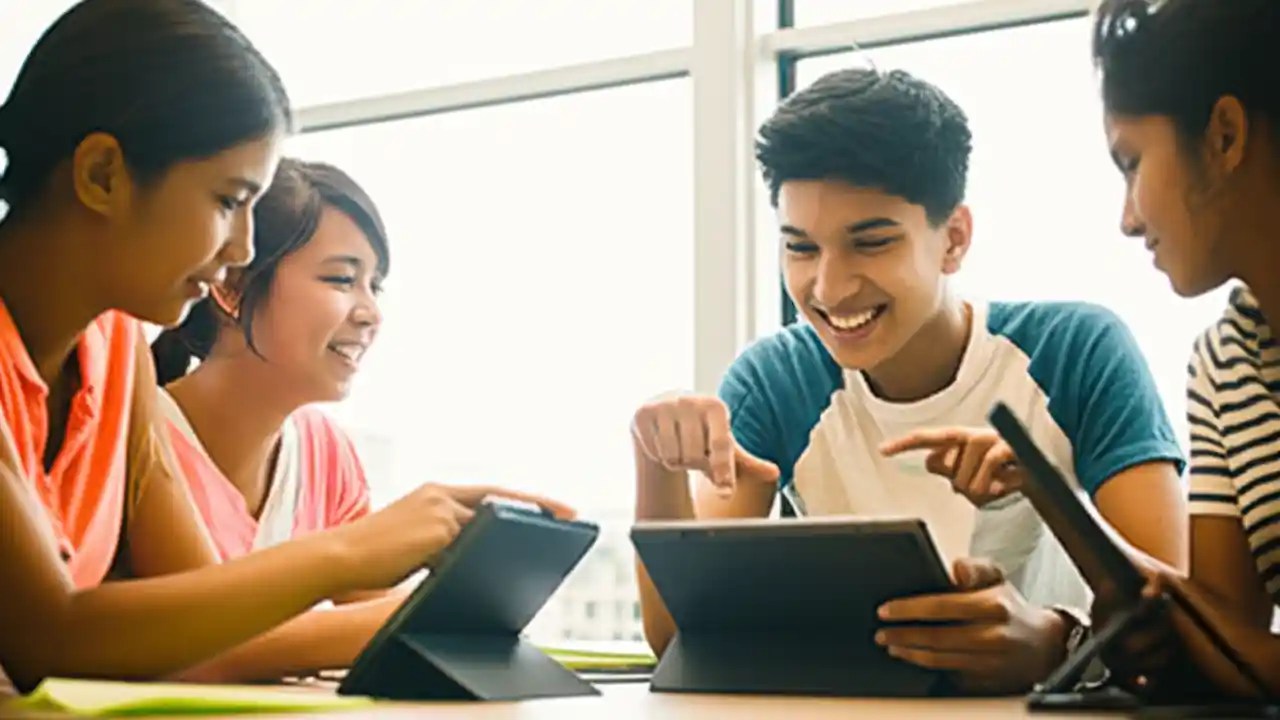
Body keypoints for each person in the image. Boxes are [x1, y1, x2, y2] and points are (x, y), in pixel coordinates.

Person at [0, 0, 567, 692]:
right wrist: (350, 553)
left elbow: (200, 617)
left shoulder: (118, 352)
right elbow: (47, 637)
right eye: (227, 201)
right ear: (101, 176)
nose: (240, 249)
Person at [631, 66, 1187, 694]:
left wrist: (1062, 641)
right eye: (801, 248)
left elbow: (1178, 625)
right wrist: (657, 463)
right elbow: (680, 639)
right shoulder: (773, 379)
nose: (829, 288)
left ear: (953, 239)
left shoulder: (1076, 351)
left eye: (871, 244)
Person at [1092, 0, 1280, 698]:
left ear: (1225, 136)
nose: (1128, 218)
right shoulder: (1225, 363)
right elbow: (1231, 650)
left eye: (1131, 162)